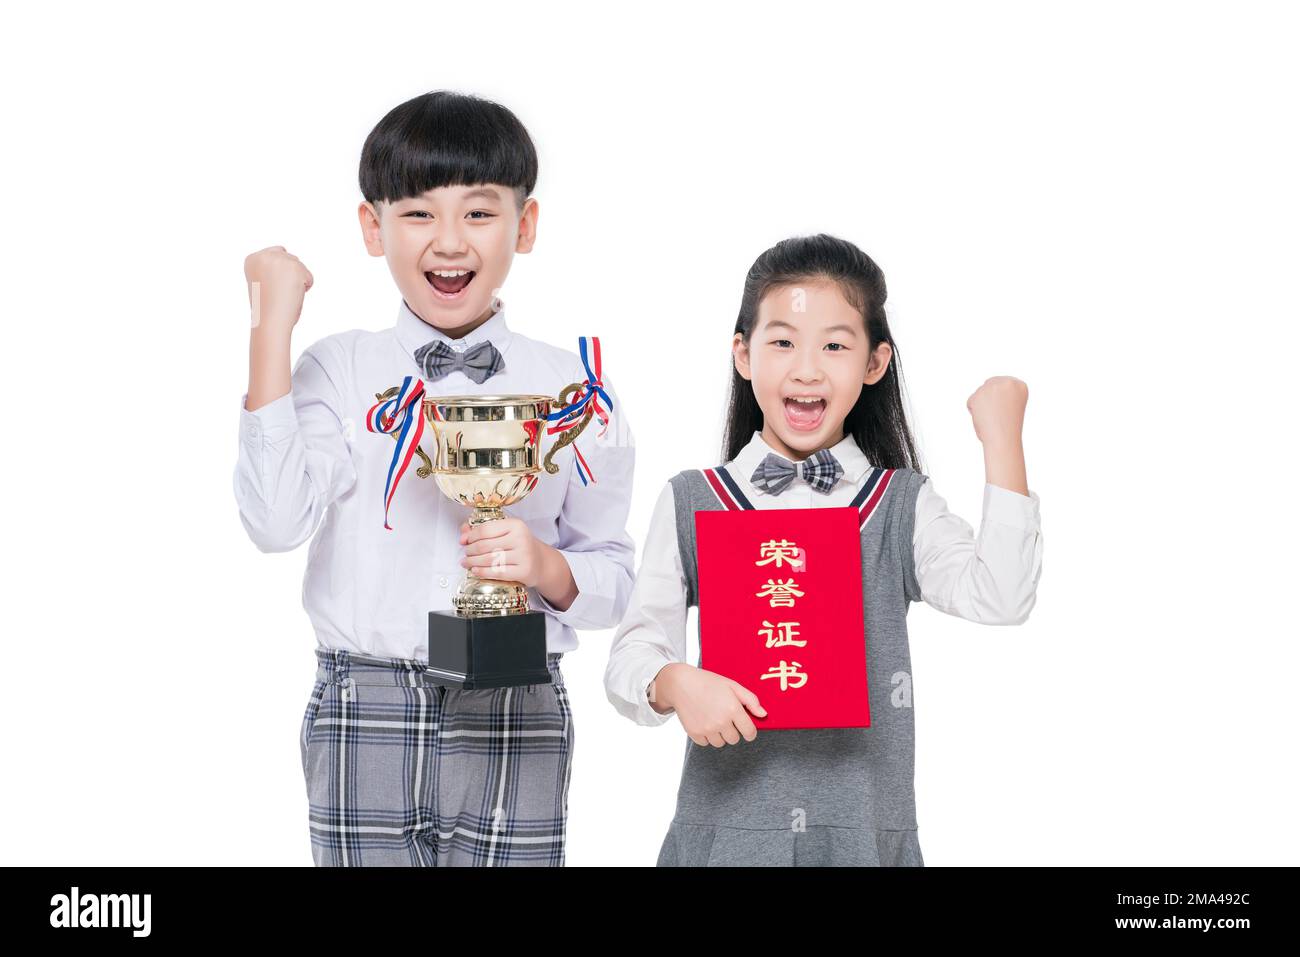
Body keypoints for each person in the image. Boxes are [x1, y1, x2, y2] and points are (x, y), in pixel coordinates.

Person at [233, 90, 636, 866]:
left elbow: (616, 580)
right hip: (368, 700)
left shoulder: (576, 386)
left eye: (479, 213)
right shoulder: (340, 369)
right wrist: (271, 329)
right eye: (418, 212)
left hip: (518, 699)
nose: (449, 241)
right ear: (371, 225)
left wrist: (545, 567)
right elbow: (275, 522)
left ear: (525, 225)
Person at [604, 233, 1042, 866]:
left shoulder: (899, 504)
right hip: (724, 839)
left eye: (835, 345)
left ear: (874, 363)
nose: (807, 369)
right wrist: (674, 681)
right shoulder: (693, 500)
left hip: (863, 838)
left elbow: (1001, 598)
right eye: (782, 341)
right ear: (743, 353)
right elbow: (630, 659)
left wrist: (1002, 441)